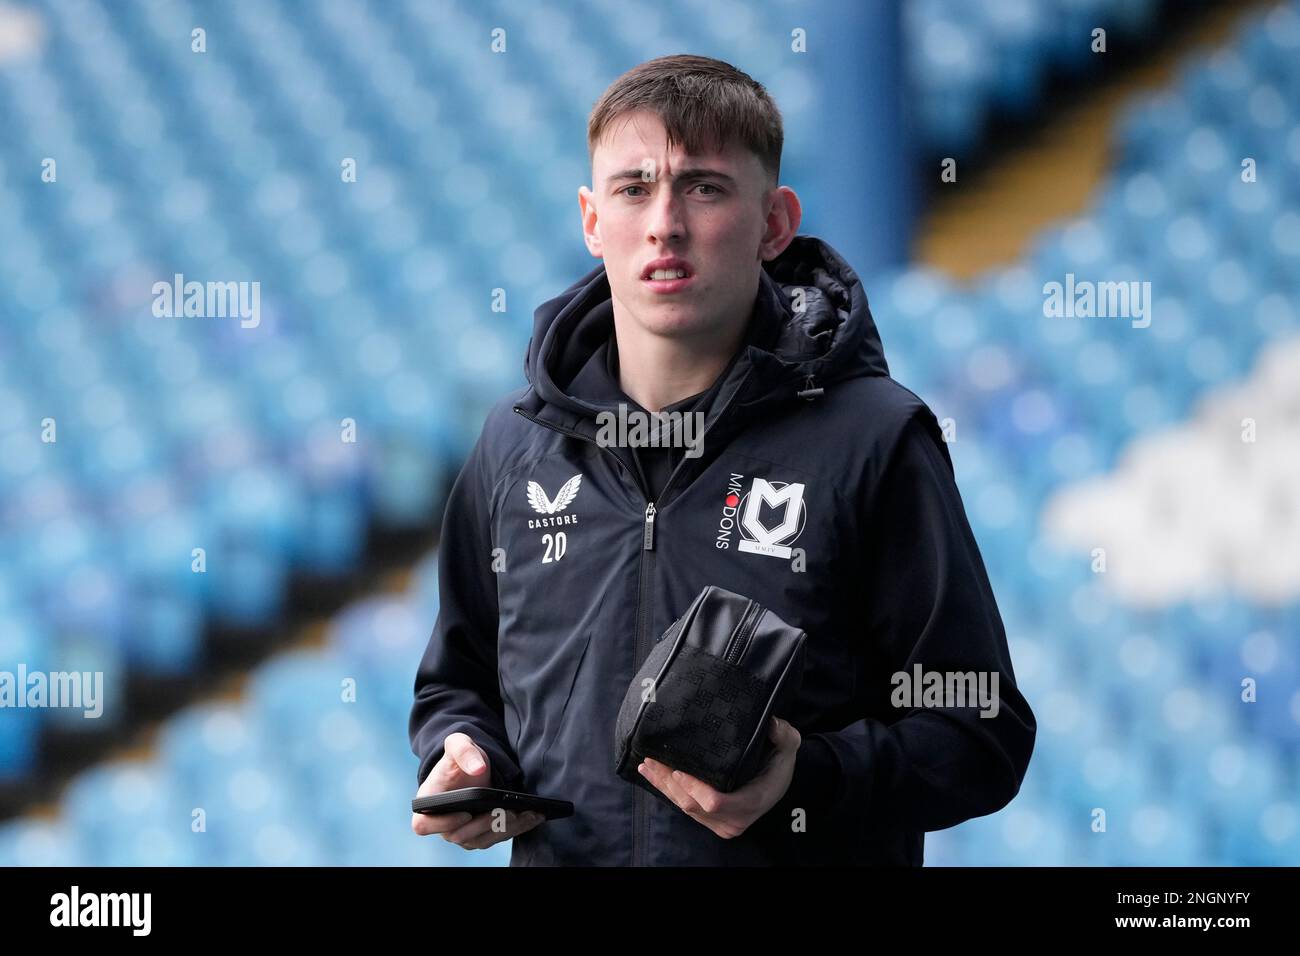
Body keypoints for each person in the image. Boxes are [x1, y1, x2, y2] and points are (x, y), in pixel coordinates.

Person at [409, 54, 1035, 865]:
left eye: (703, 186)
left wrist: (805, 776)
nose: (664, 221)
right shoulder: (513, 445)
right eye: (633, 189)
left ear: (775, 223)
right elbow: (457, 682)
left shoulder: (872, 439)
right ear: (592, 220)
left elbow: (980, 732)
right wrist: (464, 754)